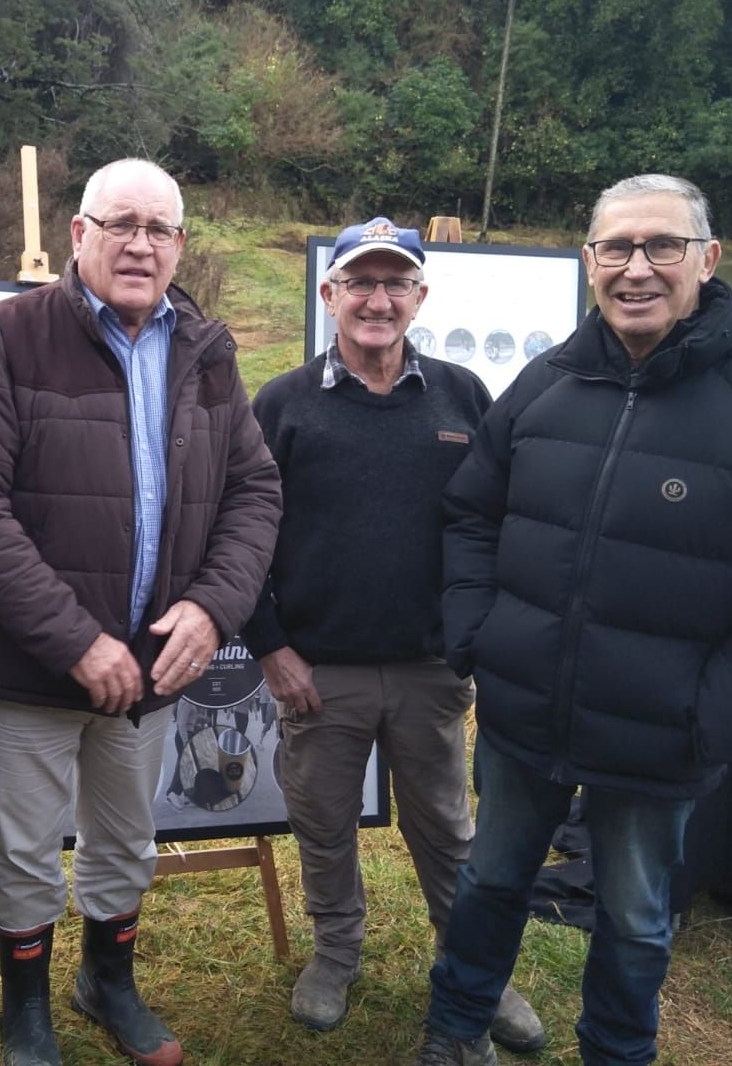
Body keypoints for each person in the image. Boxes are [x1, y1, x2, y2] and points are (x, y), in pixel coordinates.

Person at [413, 175, 732, 1066]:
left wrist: (713, 715)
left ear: (709, 258)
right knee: (492, 880)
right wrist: (479, 636)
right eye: (616, 247)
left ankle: (617, 1053)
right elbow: (471, 513)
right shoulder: (544, 383)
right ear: (589, 261)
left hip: (662, 735)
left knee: (632, 918)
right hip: (522, 712)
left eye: (662, 245)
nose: (637, 268)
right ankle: (454, 1031)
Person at [0, 158, 282, 1066]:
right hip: (32, 667)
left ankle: (107, 982)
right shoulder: (7, 336)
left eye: (159, 229)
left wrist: (212, 610)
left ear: (180, 246)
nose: (139, 244)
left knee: (127, 837)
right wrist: (75, 639)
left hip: (155, 670)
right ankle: (27, 1010)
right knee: (25, 847)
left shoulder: (206, 349)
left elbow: (254, 491)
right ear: (77, 234)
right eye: (118, 223)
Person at [241, 217, 543, 1052]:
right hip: (318, 672)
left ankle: (472, 965)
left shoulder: (462, 397)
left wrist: (472, 637)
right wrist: (271, 647)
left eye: (395, 283)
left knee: (447, 828)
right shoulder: (283, 404)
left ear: (420, 297)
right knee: (323, 821)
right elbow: (242, 534)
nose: (378, 300)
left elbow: (493, 524)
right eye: (360, 283)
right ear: (330, 295)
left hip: (428, 669)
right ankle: (336, 951)